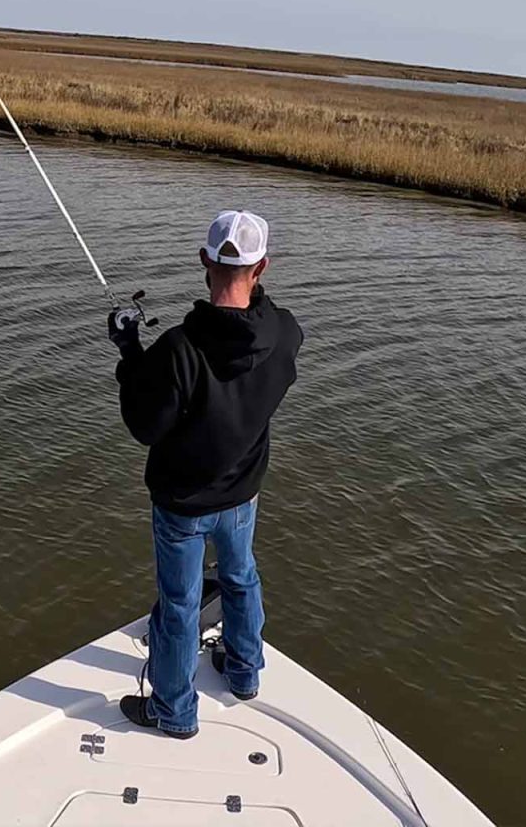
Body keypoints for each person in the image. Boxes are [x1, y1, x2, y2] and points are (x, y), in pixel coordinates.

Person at [106, 209, 304, 738]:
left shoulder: (178, 349)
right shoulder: (283, 333)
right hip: (243, 497)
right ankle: (244, 672)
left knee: (180, 605)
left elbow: (144, 424)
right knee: (241, 578)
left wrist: (129, 354)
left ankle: (174, 713)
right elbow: (272, 347)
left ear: (203, 262)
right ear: (262, 267)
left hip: (182, 507)